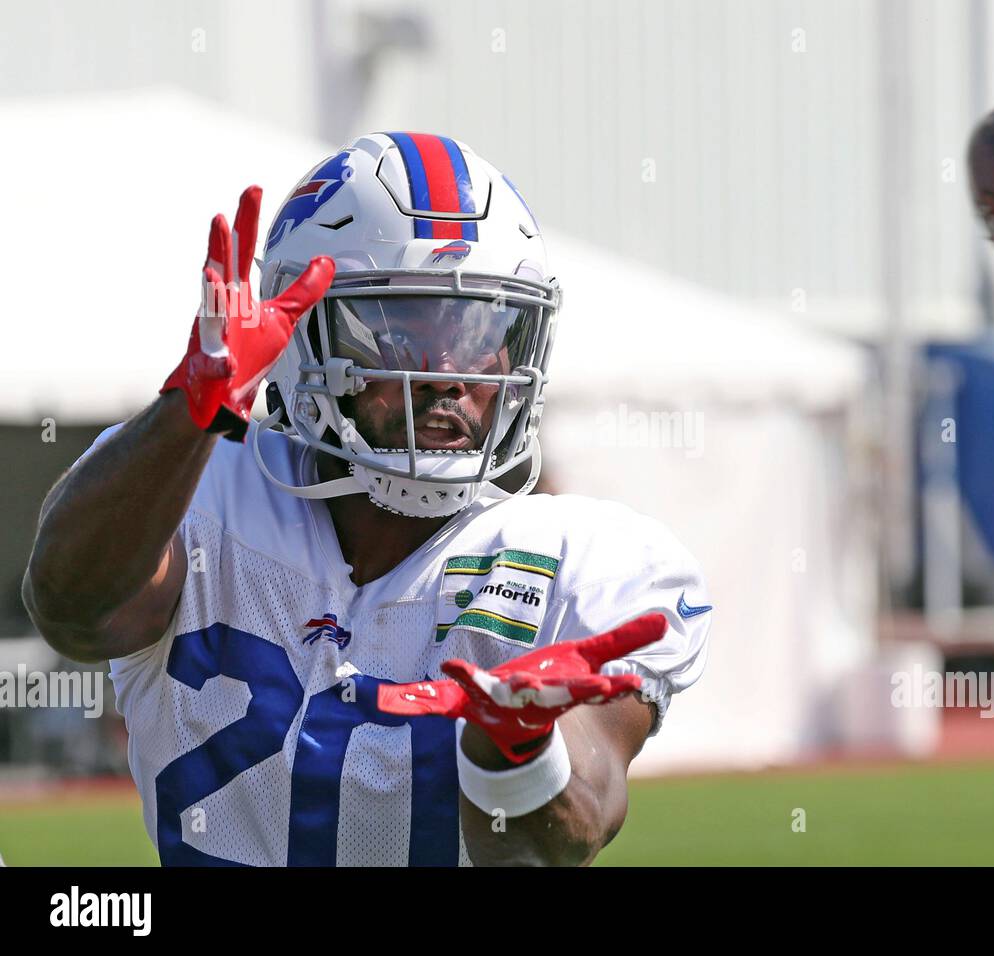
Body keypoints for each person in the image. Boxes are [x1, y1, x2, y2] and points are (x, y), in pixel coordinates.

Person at [22, 133, 712, 866]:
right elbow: (74, 609)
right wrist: (190, 408)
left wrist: (516, 747)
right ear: (307, 336)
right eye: (408, 327)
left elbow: (576, 825)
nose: (451, 372)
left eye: (483, 330)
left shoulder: (592, 563)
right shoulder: (197, 490)